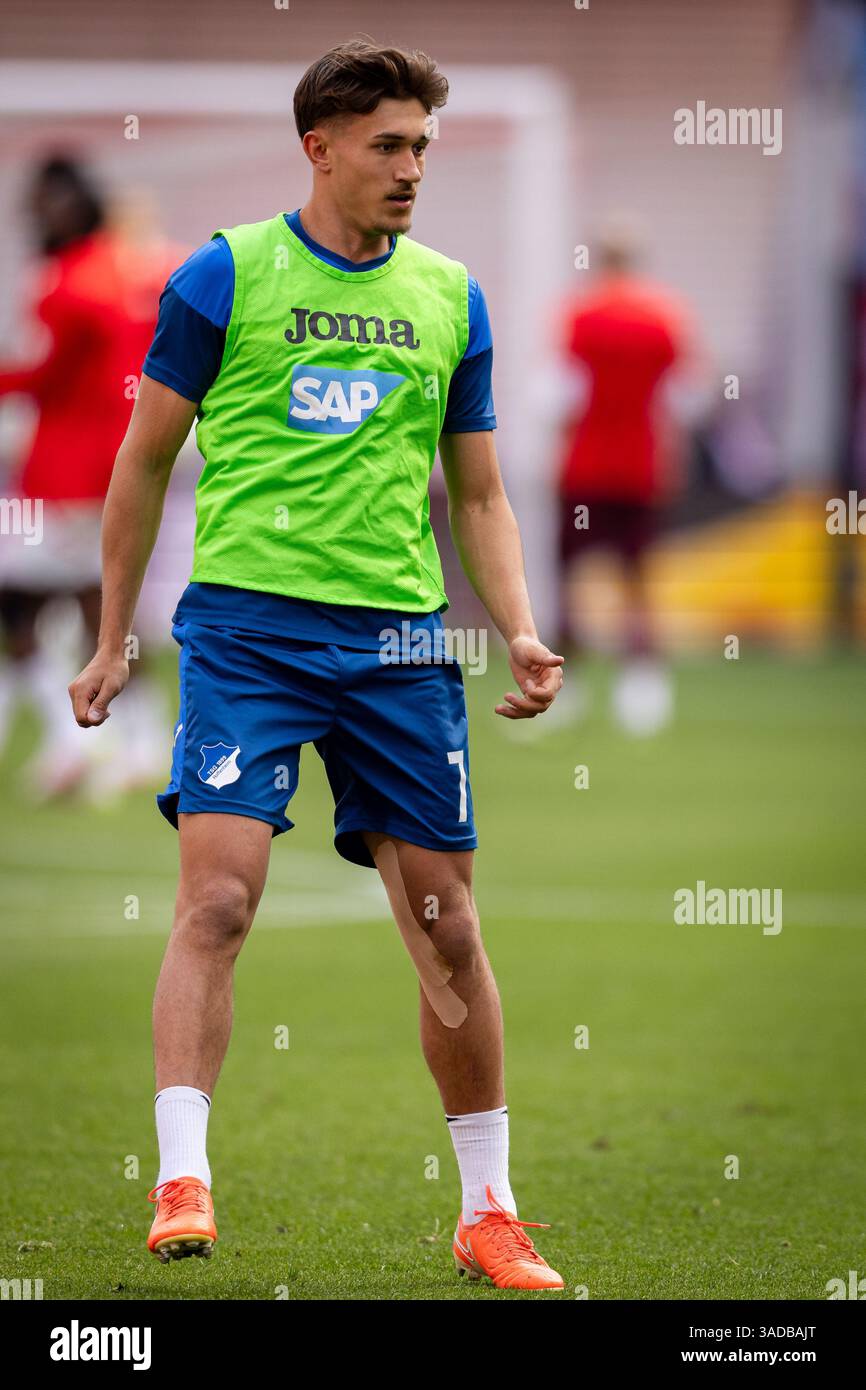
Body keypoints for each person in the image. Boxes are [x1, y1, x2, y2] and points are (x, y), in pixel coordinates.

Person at [68, 41, 565, 1290]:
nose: (410, 170)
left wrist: (515, 622)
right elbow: (139, 465)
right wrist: (114, 629)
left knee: (447, 931)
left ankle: (488, 1210)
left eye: (421, 148)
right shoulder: (224, 275)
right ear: (321, 147)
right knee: (220, 898)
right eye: (388, 145)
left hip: (399, 641)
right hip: (246, 628)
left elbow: (483, 492)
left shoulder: (452, 296)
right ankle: (183, 1173)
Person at [0, 156, 177, 793]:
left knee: (29, 608)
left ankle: (75, 737)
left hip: (67, 473)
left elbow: (40, 373)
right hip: (119, 462)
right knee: (101, 608)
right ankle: (134, 741)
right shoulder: (125, 276)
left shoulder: (68, 282)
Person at [555, 229, 694, 734]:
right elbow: (684, 400)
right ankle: (643, 688)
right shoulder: (664, 318)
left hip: (584, 468)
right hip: (641, 468)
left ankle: (565, 688)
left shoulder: (579, 316)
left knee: (570, 577)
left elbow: (558, 395)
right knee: (639, 579)